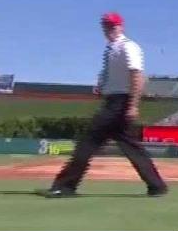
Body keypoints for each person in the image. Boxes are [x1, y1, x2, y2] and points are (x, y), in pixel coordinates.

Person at [45, 12, 168, 197]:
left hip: (120, 102)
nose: (109, 29)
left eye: (112, 25)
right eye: (106, 25)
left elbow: (137, 75)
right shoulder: (111, 49)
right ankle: (157, 186)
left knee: (87, 143)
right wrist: (103, 86)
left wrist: (133, 105)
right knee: (131, 146)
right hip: (114, 100)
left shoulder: (128, 47)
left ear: (121, 26)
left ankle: (65, 186)